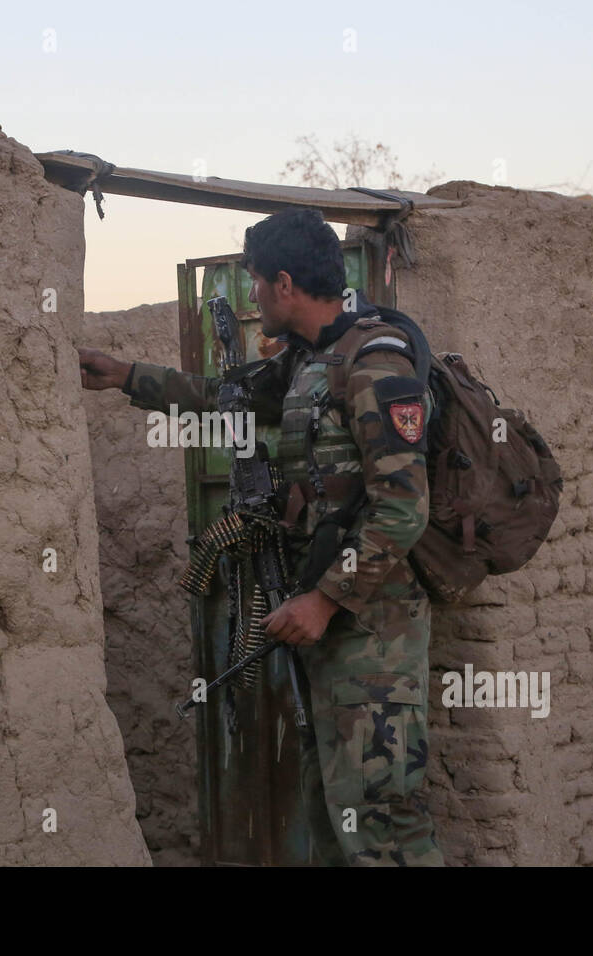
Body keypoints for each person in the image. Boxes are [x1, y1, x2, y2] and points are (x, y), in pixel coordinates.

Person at [79, 208, 443, 866]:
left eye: (253, 283)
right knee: (334, 820)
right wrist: (127, 376)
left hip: (374, 638)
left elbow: (402, 508)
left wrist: (324, 601)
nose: (250, 298)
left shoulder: (373, 360)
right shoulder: (311, 363)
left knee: (385, 825)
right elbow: (229, 396)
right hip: (332, 635)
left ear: (282, 283)